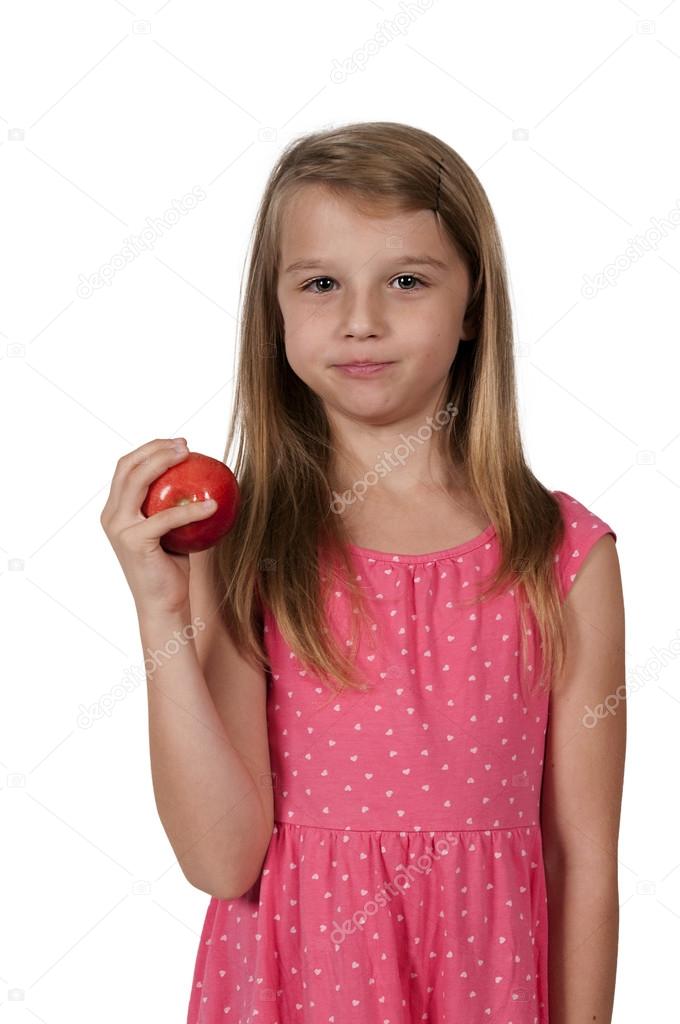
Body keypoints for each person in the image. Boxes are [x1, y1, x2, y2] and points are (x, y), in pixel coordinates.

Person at [101, 121, 626, 1024]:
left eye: (408, 281)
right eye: (320, 284)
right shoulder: (245, 546)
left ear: (473, 307)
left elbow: (584, 865)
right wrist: (162, 619)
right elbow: (221, 862)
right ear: (276, 311)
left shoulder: (562, 554)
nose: (361, 320)